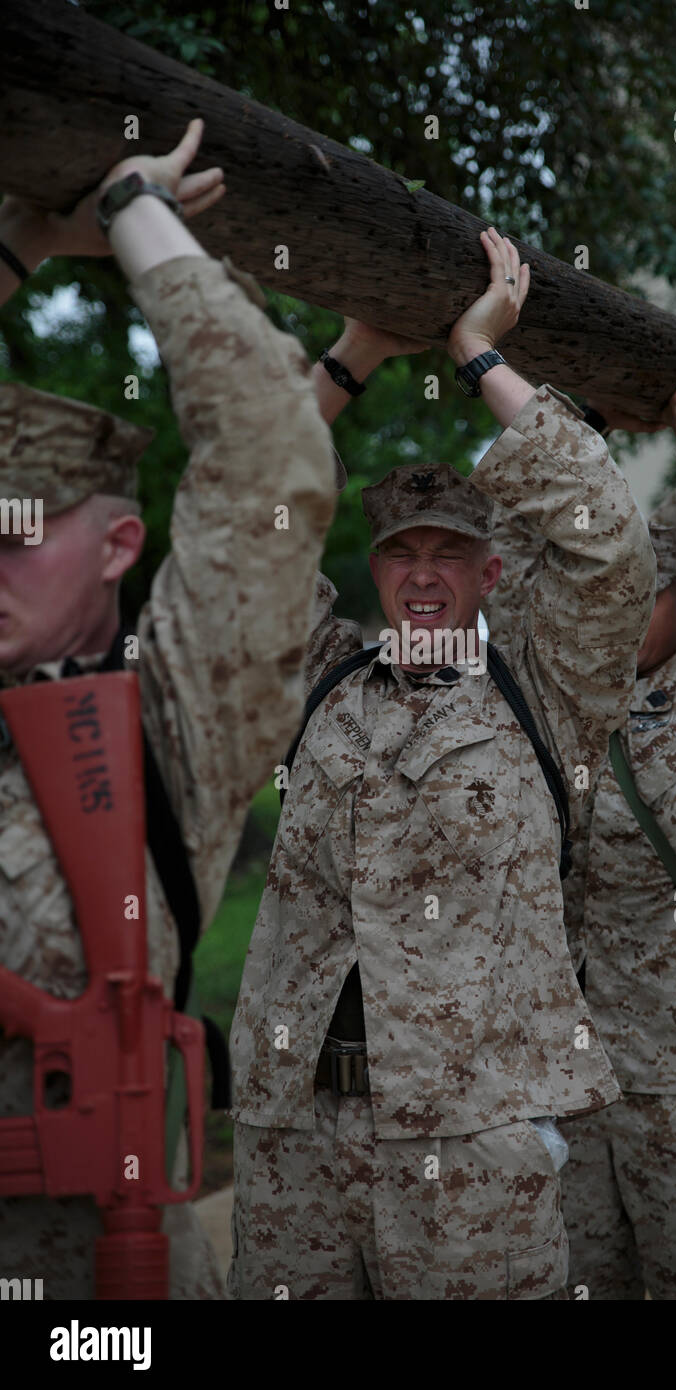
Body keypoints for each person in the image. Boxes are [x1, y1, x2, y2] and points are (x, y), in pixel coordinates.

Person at [228, 226, 656, 1301]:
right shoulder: (326, 674)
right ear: (373, 571)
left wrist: (475, 351)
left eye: (447, 553)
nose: (422, 573)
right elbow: (240, 520)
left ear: (490, 570)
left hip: (468, 1139)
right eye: (400, 552)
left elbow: (610, 535)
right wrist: (352, 354)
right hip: (299, 1129)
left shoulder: (542, 687)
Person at [0, 119, 337, 1298]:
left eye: (16, 541)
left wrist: (136, 211)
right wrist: (19, 249)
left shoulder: (171, 721)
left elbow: (266, 456)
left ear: (117, 546)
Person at [488, 330, 676, 1299]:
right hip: (564, 1084)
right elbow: (508, 539)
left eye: (649, 594)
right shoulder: (544, 692)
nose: (623, 611)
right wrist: (570, 417)